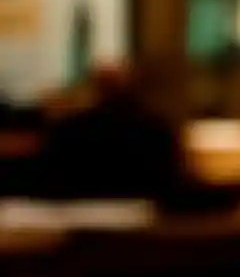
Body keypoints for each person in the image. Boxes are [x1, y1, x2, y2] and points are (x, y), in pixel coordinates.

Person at [35, 65, 192, 203]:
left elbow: (52, 180)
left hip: (81, 211)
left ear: (95, 90)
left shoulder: (70, 129)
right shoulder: (155, 128)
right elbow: (169, 179)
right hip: (144, 213)